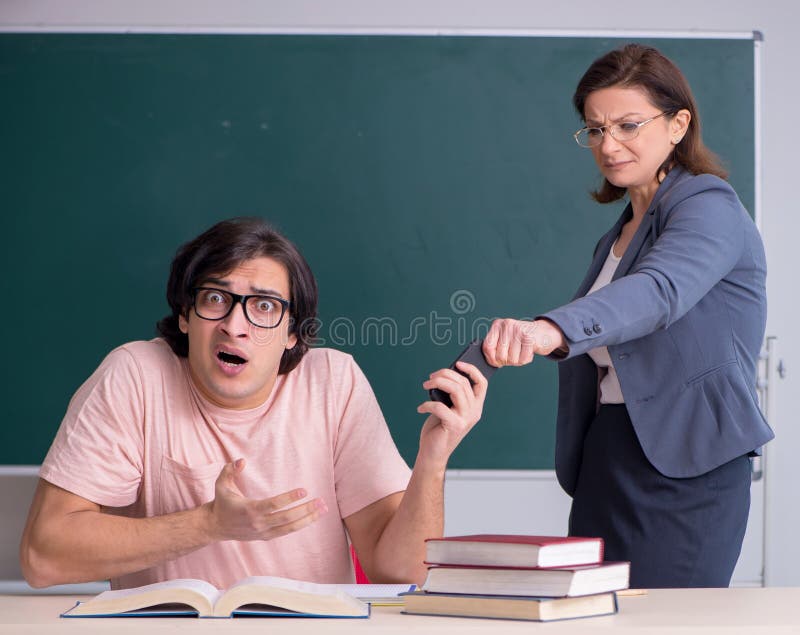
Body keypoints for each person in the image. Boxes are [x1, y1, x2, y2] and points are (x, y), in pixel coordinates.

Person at [20, 217, 487, 590]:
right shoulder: (135, 374)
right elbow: (44, 558)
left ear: (291, 332)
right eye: (216, 298)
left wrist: (433, 459)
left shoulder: (334, 381)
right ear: (185, 314)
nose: (235, 326)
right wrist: (208, 524)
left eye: (264, 306)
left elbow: (402, 572)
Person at [481, 44, 774, 588]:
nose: (608, 145)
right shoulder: (618, 233)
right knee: (592, 616)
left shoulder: (710, 204)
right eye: (594, 130)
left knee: (662, 622)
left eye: (628, 125)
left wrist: (551, 329)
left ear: (678, 123)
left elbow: (658, 292)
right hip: (608, 454)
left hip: (685, 462)